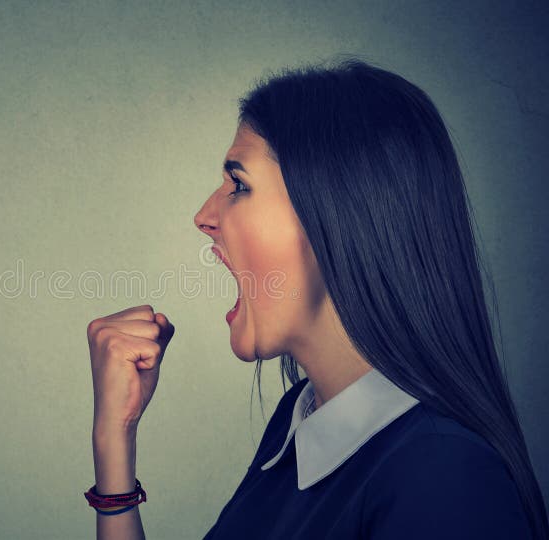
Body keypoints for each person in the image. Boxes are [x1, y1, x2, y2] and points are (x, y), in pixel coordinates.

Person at [84, 58, 549, 539]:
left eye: (239, 185)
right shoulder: (301, 417)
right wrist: (113, 440)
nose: (204, 215)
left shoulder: (444, 479)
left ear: (338, 213)